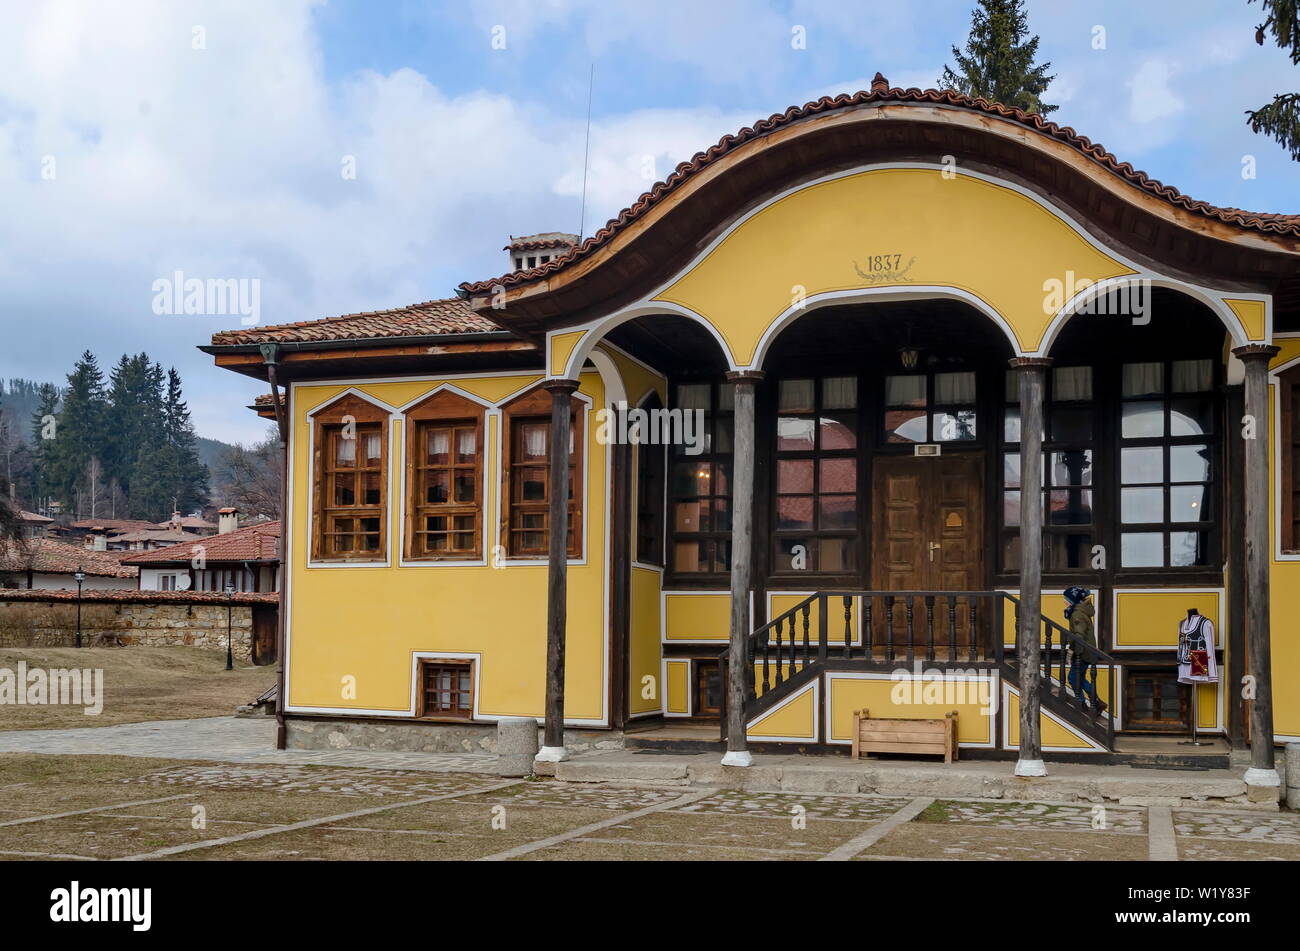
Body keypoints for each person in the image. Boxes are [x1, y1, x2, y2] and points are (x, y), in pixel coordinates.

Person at [1063, 586, 1107, 718]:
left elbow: (1079, 635)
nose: (1064, 602)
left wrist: (1073, 652)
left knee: (1072, 678)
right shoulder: (1081, 611)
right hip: (1088, 652)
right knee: (1080, 678)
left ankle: (1082, 703)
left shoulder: (1077, 614)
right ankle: (1097, 702)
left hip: (1082, 653)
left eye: (1066, 599)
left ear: (1073, 600)